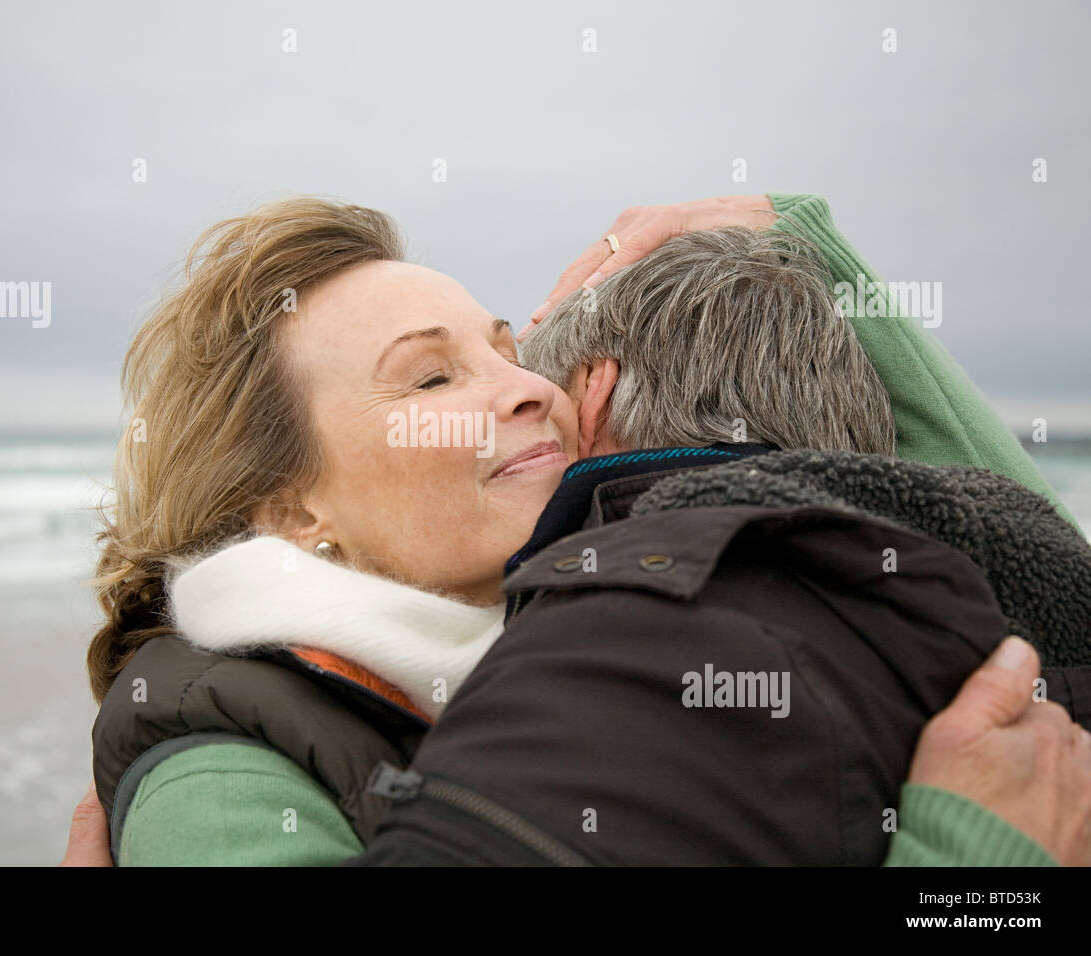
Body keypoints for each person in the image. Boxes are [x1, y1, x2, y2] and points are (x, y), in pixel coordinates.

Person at [72, 193, 1083, 866]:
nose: (525, 389)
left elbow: (1012, 554)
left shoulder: (581, 640)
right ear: (295, 507)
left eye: (507, 348)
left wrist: (798, 236)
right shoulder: (219, 759)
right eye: (433, 376)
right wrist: (974, 860)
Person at [350, 226, 1091, 864]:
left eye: (529, 377)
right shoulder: (1017, 609)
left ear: (594, 395)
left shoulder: (618, 644)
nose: (520, 405)